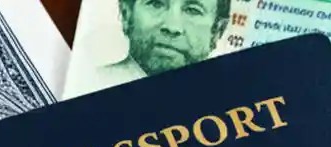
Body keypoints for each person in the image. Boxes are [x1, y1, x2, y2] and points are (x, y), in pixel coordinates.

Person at [91, 0, 231, 88]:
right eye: (156, 4)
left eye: (193, 10)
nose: (172, 26)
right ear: (126, 14)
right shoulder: (89, 84)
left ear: (217, 31)